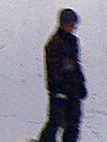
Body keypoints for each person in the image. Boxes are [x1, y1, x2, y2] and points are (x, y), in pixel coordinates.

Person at [36, 8, 86, 142]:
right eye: (71, 25)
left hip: (73, 90)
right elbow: (53, 69)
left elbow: (75, 65)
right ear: (63, 24)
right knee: (55, 121)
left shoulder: (73, 41)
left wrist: (81, 83)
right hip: (60, 92)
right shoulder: (54, 44)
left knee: (73, 123)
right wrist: (58, 89)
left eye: (74, 25)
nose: (73, 28)